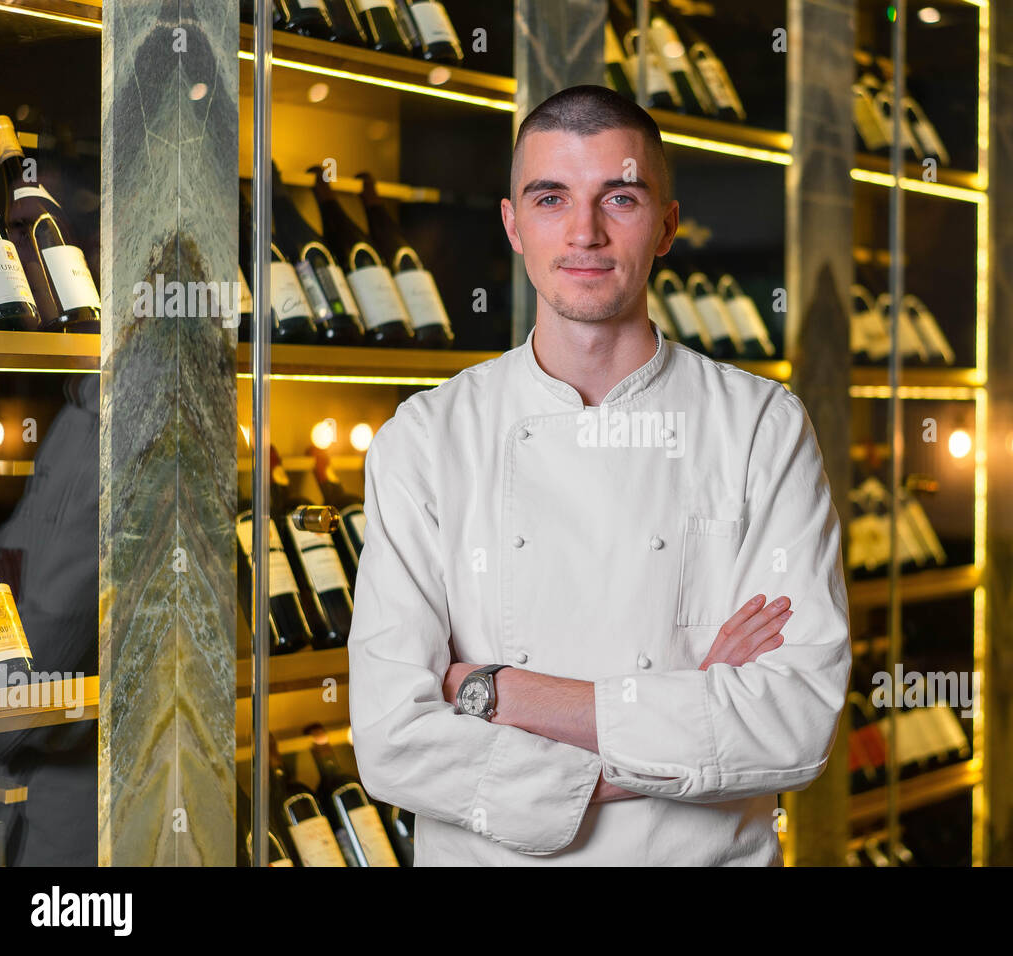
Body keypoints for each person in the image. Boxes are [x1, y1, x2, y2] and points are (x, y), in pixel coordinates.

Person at [347, 84, 850, 865]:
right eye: (551, 198)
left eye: (619, 197)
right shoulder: (426, 438)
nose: (584, 232)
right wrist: (687, 720)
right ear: (514, 225)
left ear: (667, 226)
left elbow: (795, 719)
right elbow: (390, 741)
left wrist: (502, 693)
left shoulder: (760, 428)